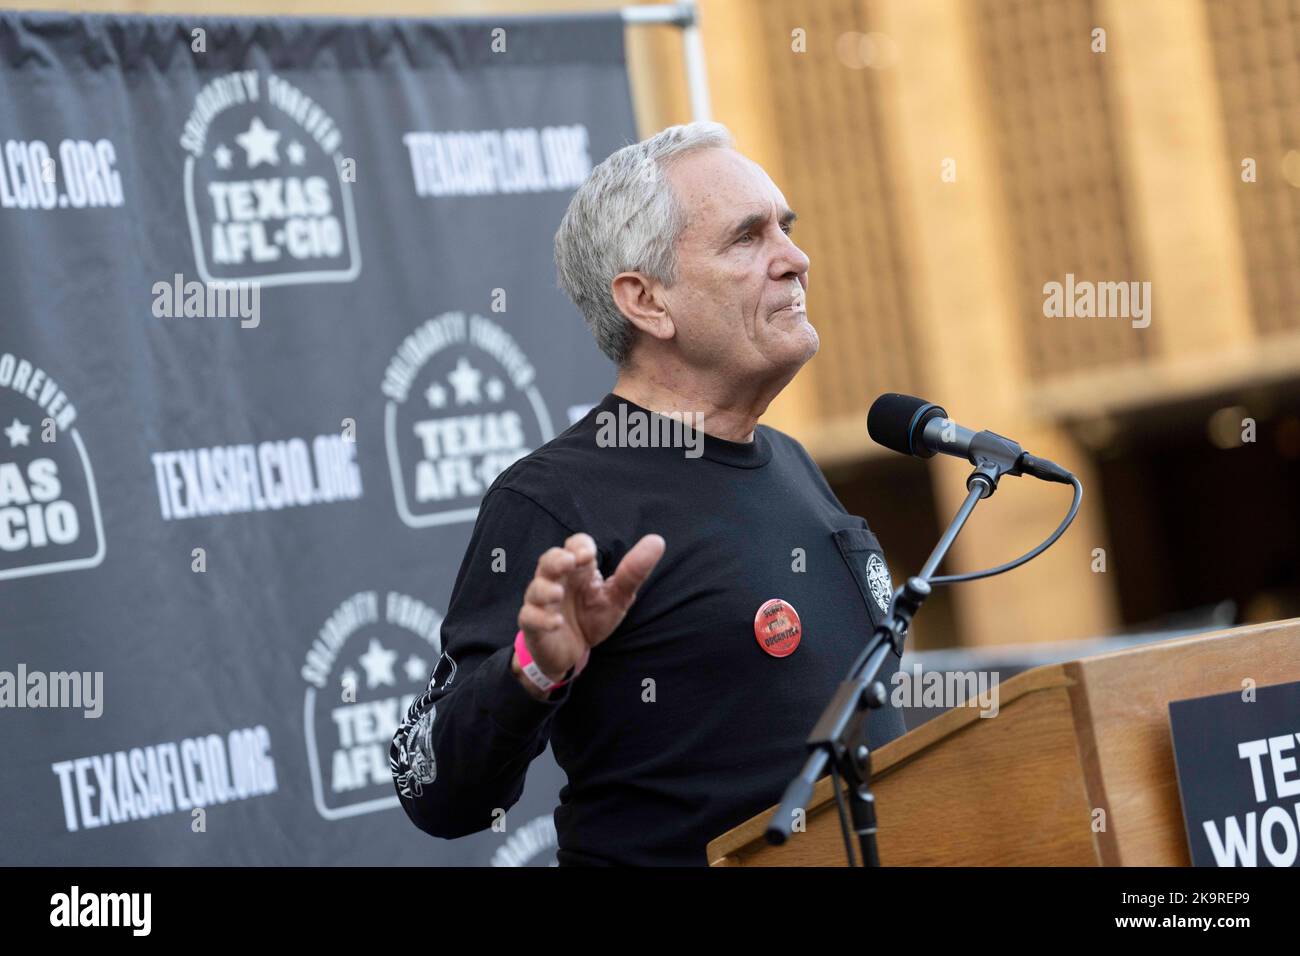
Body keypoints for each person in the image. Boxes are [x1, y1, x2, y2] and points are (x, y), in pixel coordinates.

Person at [389, 120, 906, 865]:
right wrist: (534, 669)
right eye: (748, 238)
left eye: (785, 231)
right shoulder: (554, 499)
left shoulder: (793, 464)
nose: (796, 259)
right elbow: (433, 788)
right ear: (647, 300)